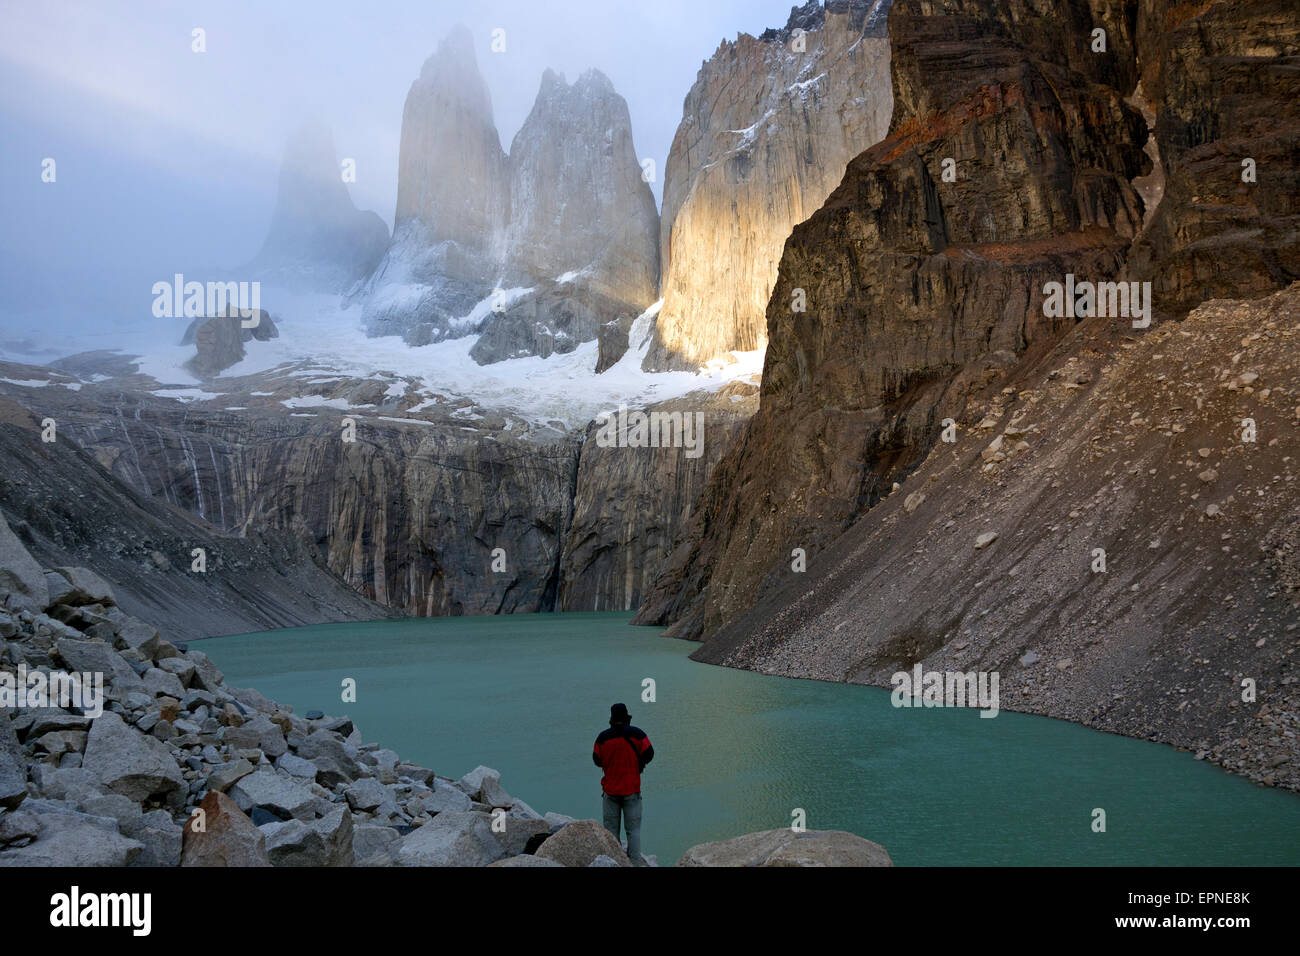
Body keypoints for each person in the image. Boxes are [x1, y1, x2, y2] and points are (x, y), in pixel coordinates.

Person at [592, 702, 654, 864]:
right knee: (633, 831)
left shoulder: (602, 738)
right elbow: (649, 754)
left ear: (611, 719)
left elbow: (597, 760)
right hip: (632, 790)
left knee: (611, 832)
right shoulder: (638, 735)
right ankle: (634, 863)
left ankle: (614, 862)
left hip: (610, 791)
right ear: (627, 718)